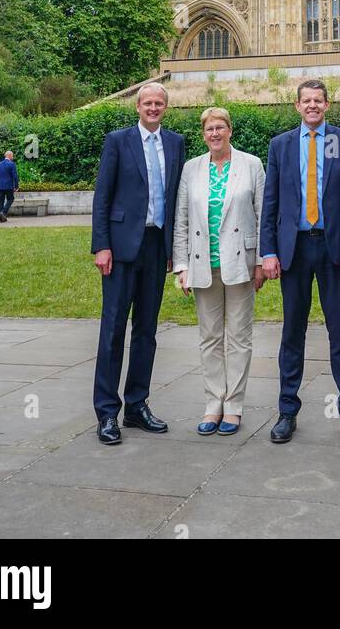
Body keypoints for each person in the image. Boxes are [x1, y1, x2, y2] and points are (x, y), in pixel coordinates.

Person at [260, 78, 340, 446]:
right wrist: (269, 251)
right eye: (306, 101)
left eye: (318, 101)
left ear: (327, 105)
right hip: (293, 251)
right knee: (293, 332)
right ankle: (287, 411)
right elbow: (271, 204)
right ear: (297, 106)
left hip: (334, 249)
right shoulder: (281, 145)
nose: (312, 106)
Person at [91, 81, 184, 446]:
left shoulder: (175, 143)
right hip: (120, 246)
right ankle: (106, 413)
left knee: (146, 331)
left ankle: (136, 405)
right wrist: (102, 246)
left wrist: (172, 248)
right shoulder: (118, 141)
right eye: (147, 102)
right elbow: (103, 195)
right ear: (138, 106)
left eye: (159, 103)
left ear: (165, 107)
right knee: (113, 331)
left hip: (155, 246)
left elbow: (174, 196)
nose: (153, 107)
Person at [173, 106, 265, 435]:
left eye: (220, 127)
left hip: (240, 263)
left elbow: (262, 215)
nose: (215, 133)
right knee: (209, 338)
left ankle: (235, 406)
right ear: (204, 134)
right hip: (202, 263)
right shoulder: (191, 169)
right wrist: (181, 265)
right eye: (209, 129)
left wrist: (260, 262)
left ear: (230, 130)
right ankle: (214, 403)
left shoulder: (251, 165)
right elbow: (182, 219)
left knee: (239, 338)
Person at [0, 151, 19, 223]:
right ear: (9, 155)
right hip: (8, 186)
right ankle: (3, 213)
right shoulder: (12, 164)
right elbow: (15, 176)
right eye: (12, 156)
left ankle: (0, 219)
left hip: (0, 186)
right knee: (11, 199)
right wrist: (16, 186)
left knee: (0, 201)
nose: (13, 157)